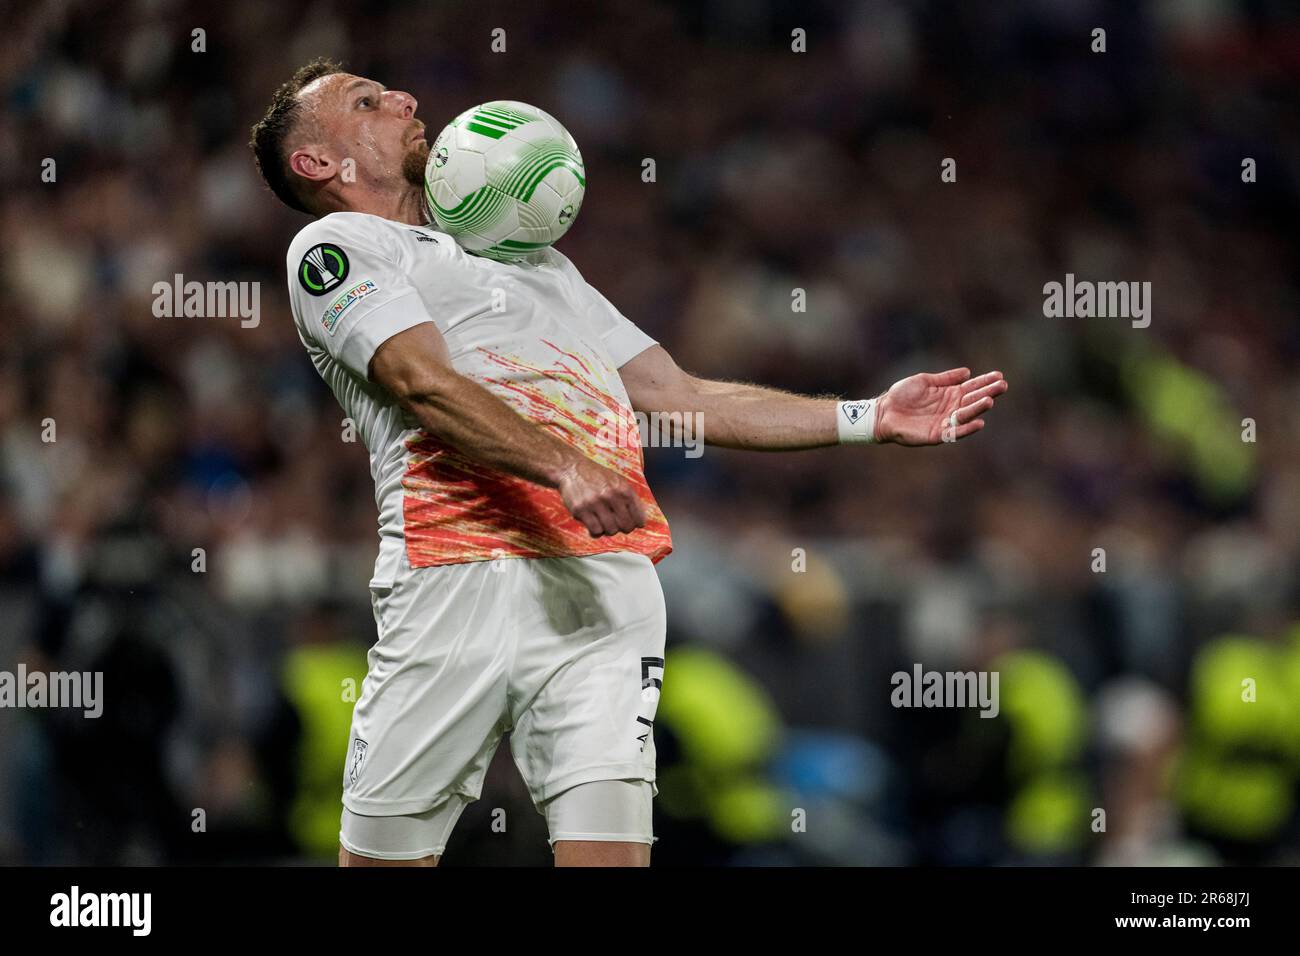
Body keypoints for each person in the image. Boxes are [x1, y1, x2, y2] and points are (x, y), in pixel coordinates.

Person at [249, 58, 1008, 867]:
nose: (404, 98)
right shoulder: (338, 246)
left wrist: (865, 417)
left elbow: (680, 393)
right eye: (368, 101)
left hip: (603, 589)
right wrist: (566, 468)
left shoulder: (539, 264)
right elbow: (420, 383)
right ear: (318, 163)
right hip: (457, 577)